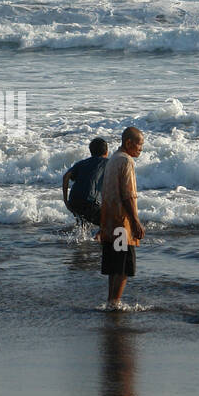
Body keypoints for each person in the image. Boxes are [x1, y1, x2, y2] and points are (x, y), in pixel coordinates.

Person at [99, 127, 144, 308]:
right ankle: (114, 304)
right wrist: (135, 222)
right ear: (129, 143)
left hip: (110, 221)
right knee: (123, 266)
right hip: (121, 223)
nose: (141, 148)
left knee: (115, 266)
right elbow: (128, 195)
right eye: (140, 144)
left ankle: (111, 301)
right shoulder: (126, 161)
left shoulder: (113, 160)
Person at [63, 138, 108, 226]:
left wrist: (65, 201)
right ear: (106, 151)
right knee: (109, 222)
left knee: (83, 223)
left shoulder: (81, 163)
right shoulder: (108, 162)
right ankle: (100, 237)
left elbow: (66, 176)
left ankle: (81, 239)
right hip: (90, 203)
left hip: (74, 201)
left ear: (91, 152)